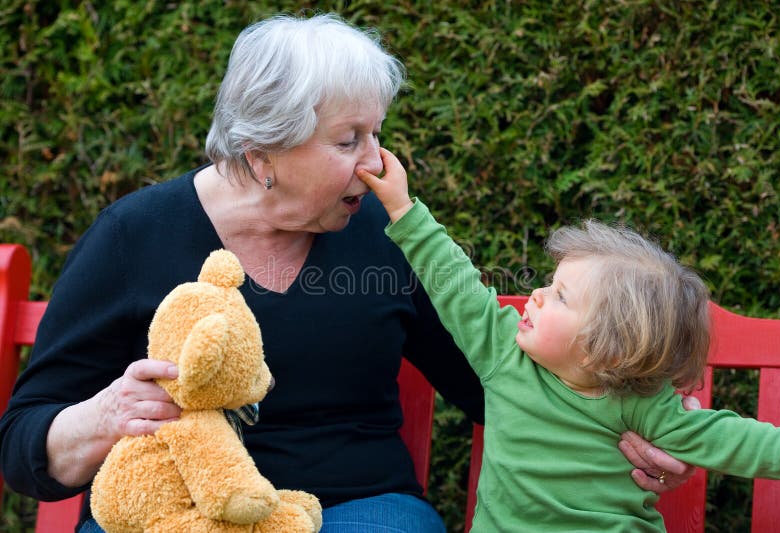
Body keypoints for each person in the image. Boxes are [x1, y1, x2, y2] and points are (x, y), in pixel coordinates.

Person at [0, 13, 695, 533]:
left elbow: (496, 379)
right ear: (262, 147)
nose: (376, 162)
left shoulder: (383, 237)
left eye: (376, 133)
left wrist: (633, 420)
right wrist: (100, 416)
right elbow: (23, 446)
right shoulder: (133, 236)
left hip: (359, 508)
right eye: (348, 139)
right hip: (180, 507)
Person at [357, 147, 780, 532]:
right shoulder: (501, 350)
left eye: (560, 296)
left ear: (606, 345)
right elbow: (454, 280)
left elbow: (747, 444)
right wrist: (401, 207)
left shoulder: (643, 404)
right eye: (550, 284)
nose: (537, 295)